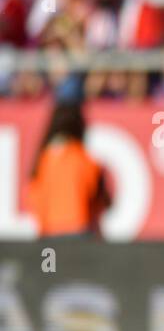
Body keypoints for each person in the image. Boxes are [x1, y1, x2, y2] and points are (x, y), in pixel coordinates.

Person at [26, 100, 110, 239]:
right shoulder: (84, 159)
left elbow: (35, 199)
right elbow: (101, 200)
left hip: (48, 234)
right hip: (79, 232)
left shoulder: (42, 160)